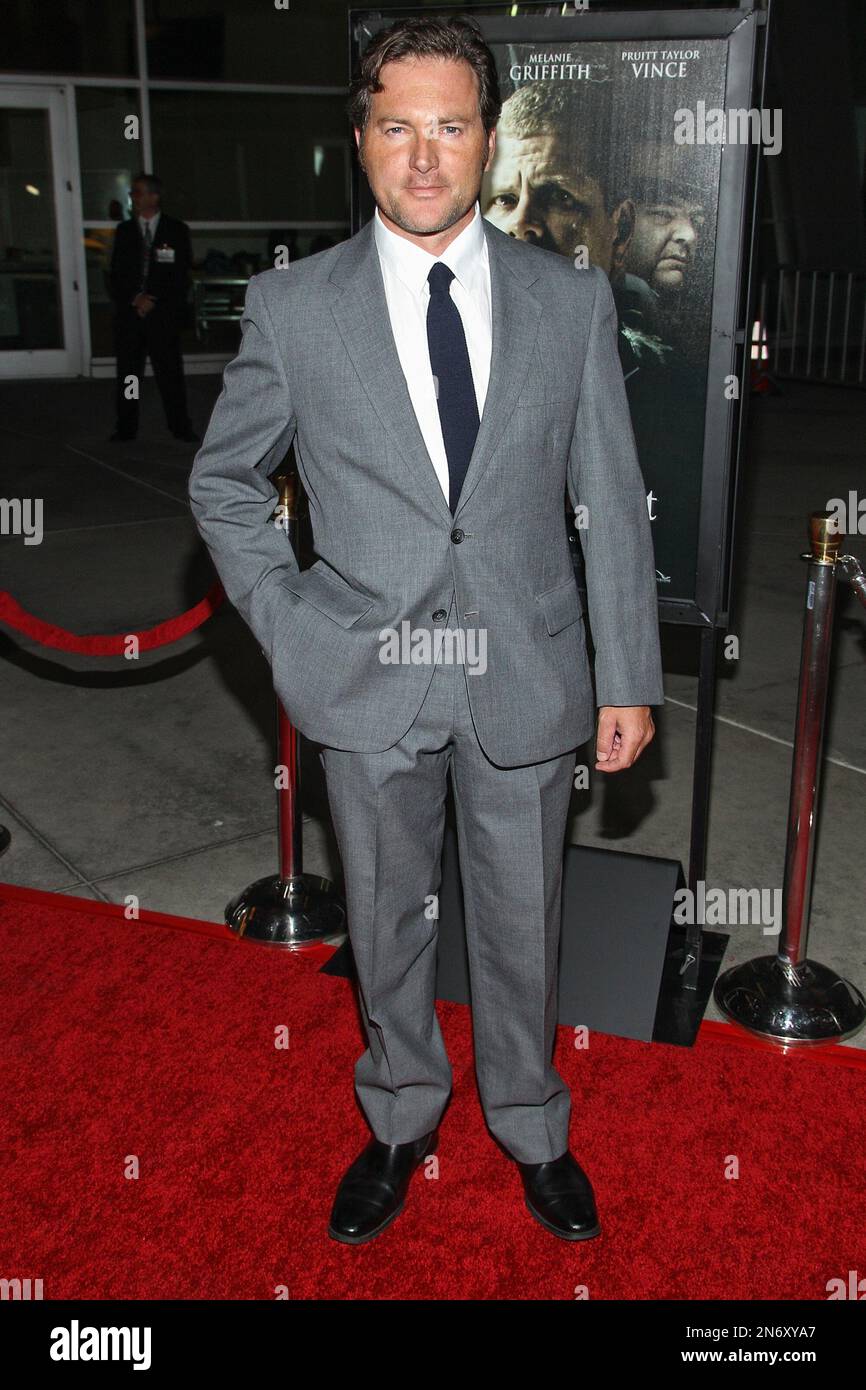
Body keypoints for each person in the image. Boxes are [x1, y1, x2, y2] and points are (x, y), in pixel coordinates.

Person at [187, 16, 663, 1244]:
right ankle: (399, 1116)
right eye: (394, 125)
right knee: (386, 918)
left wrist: (626, 673)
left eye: (449, 125)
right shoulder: (293, 307)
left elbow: (609, 497)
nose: (421, 154)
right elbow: (223, 483)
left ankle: (532, 1125)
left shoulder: (568, 301)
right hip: (367, 671)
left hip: (522, 668)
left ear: (486, 140)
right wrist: (290, 622)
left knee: (522, 920)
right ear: (359, 139)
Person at [108, 172, 198, 443]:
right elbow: (117, 274)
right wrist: (135, 298)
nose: (133, 198)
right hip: (131, 315)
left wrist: (153, 298)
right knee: (130, 375)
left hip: (163, 315)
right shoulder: (124, 231)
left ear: (153, 196)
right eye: (133, 193)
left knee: (169, 373)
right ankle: (126, 427)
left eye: (138, 192)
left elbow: (179, 274)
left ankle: (180, 426)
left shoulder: (175, 230)